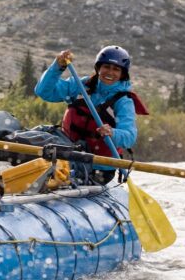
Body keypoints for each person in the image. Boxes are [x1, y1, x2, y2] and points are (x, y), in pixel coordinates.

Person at [35, 45, 149, 181]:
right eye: (106, 67)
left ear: (122, 74)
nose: (110, 72)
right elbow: (44, 92)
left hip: (98, 167)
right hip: (68, 151)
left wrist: (113, 132)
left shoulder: (124, 101)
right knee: (39, 134)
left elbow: (129, 137)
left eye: (116, 69)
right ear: (98, 68)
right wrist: (57, 67)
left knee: (55, 162)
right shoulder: (82, 85)